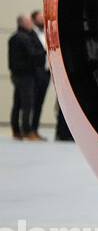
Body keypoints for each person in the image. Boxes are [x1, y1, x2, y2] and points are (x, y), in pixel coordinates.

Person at [8, 14, 41, 141]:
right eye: (29, 22)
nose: (31, 24)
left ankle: (16, 130)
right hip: (26, 75)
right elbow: (33, 54)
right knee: (27, 103)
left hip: (16, 75)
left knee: (17, 103)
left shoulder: (13, 37)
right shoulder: (25, 38)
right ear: (23, 23)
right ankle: (27, 131)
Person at [30, 9, 50, 139]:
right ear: (33, 20)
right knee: (34, 102)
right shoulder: (32, 35)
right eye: (39, 18)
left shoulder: (46, 33)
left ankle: (35, 130)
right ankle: (30, 130)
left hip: (47, 73)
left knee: (40, 102)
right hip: (37, 73)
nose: (42, 19)